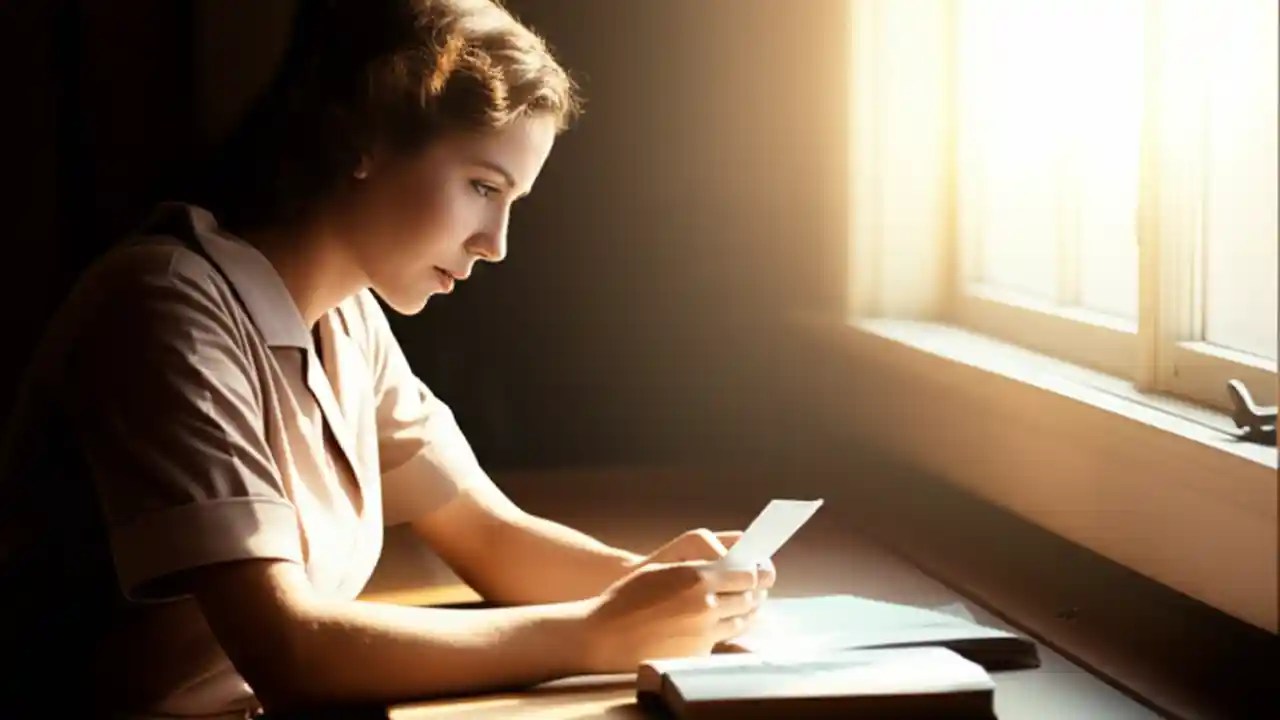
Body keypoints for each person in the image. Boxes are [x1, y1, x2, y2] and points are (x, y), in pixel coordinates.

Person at [0, 1, 774, 717]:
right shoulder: (163, 309)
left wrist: (664, 586)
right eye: (480, 185)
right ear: (362, 139)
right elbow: (290, 651)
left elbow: (490, 536)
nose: (494, 244)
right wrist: (597, 633)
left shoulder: (347, 319)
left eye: (513, 202)